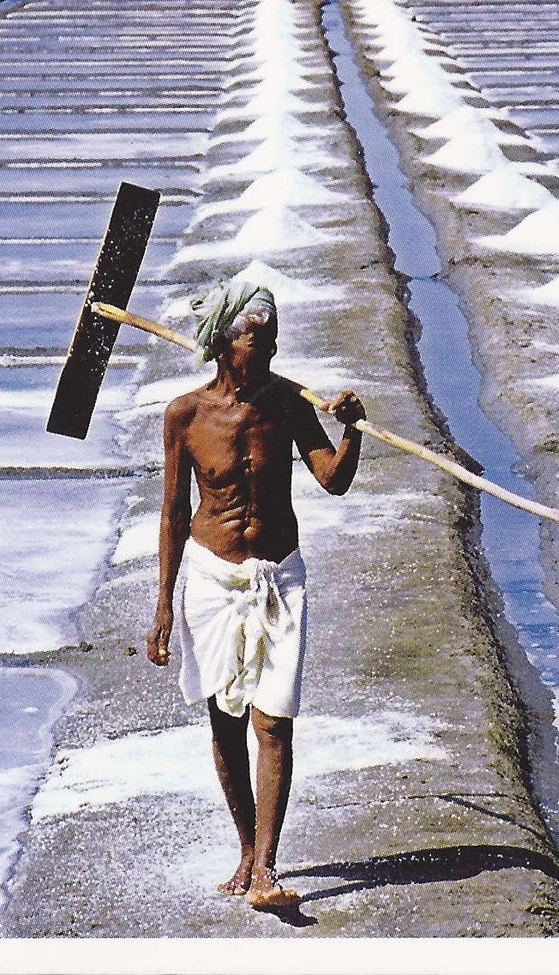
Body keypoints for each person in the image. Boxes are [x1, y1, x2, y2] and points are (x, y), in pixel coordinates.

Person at [147, 277, 365, 910]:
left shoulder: (291, 405)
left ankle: (266, 867)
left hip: (279, 576)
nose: (267, 354)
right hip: (212, 577)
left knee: (274, 721)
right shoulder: (185, 416)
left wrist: (353, 431)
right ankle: (246, 849)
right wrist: (162, 603)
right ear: (223, 344)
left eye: (272, 341)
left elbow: (334, 481)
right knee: (225, 717)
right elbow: (171, 512)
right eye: (255, 342)